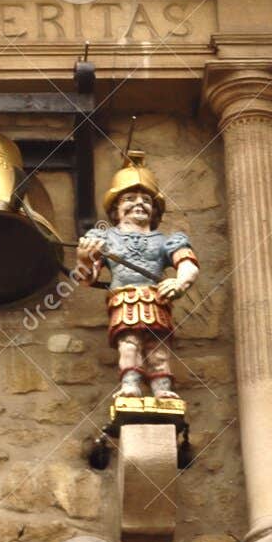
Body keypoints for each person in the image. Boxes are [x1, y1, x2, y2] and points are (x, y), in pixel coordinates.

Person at [74, 151, 198, 400]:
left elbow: (188, 264)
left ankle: (162, 390)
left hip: (156, 299)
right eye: (130, 198)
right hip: (125, 299)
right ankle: (130, 385)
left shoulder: (166, 241)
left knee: (158, 349)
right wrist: (85, 258)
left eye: (146, 200)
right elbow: (87, 278)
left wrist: (180, 282)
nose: (139, 203)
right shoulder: (105, 238)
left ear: (154, 210)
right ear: (116, 209)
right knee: (129, 344)